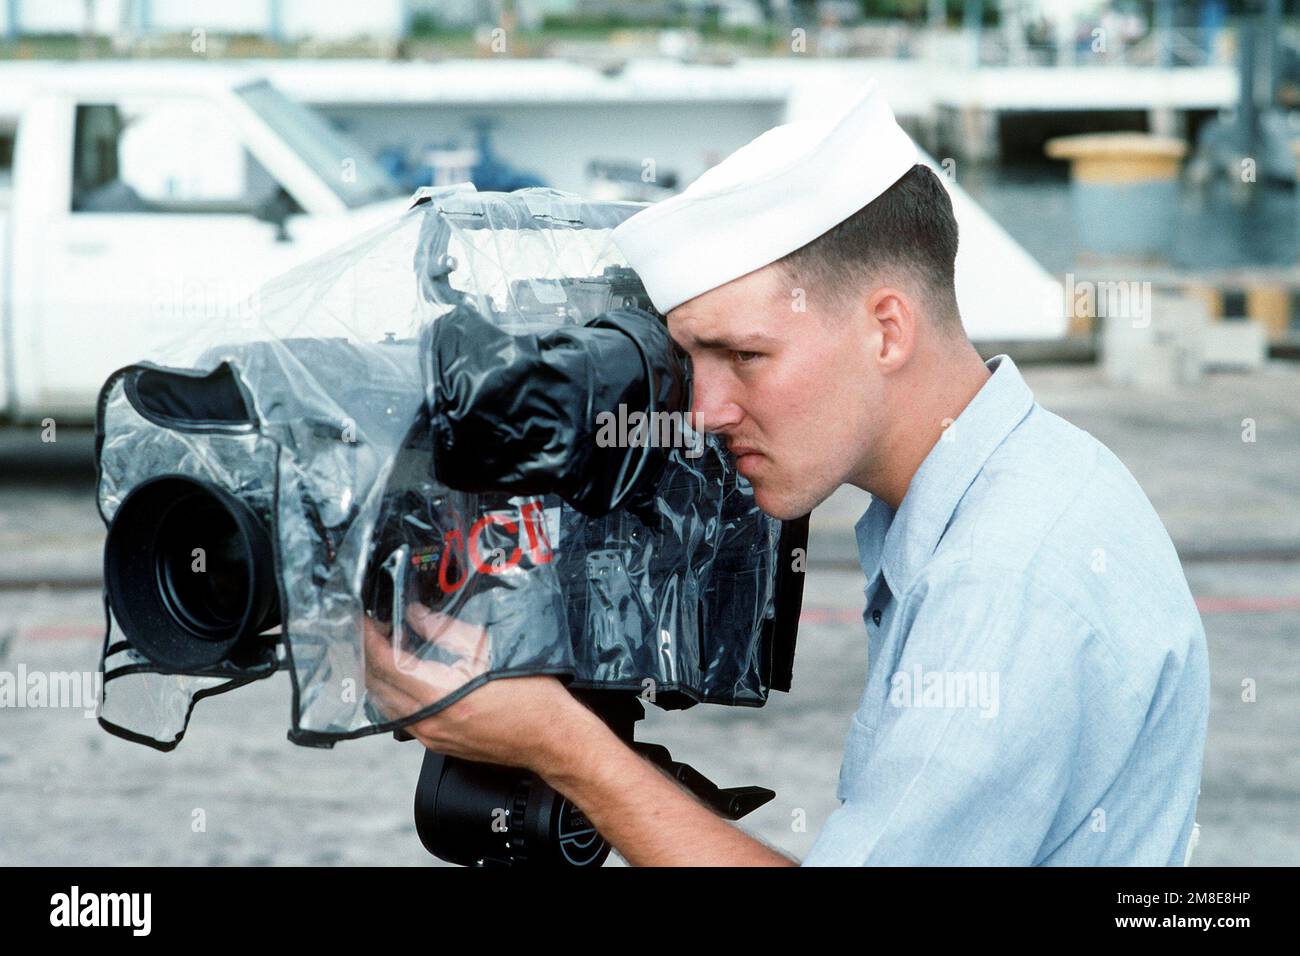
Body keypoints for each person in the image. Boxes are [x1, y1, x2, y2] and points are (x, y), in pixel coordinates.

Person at [364, 81, 1209, 866]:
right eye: (692, 358)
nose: (704, 410)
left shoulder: (1005, 577)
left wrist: (560, 745)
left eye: (745, 355)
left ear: (886, 329)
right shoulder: (1041, 477)